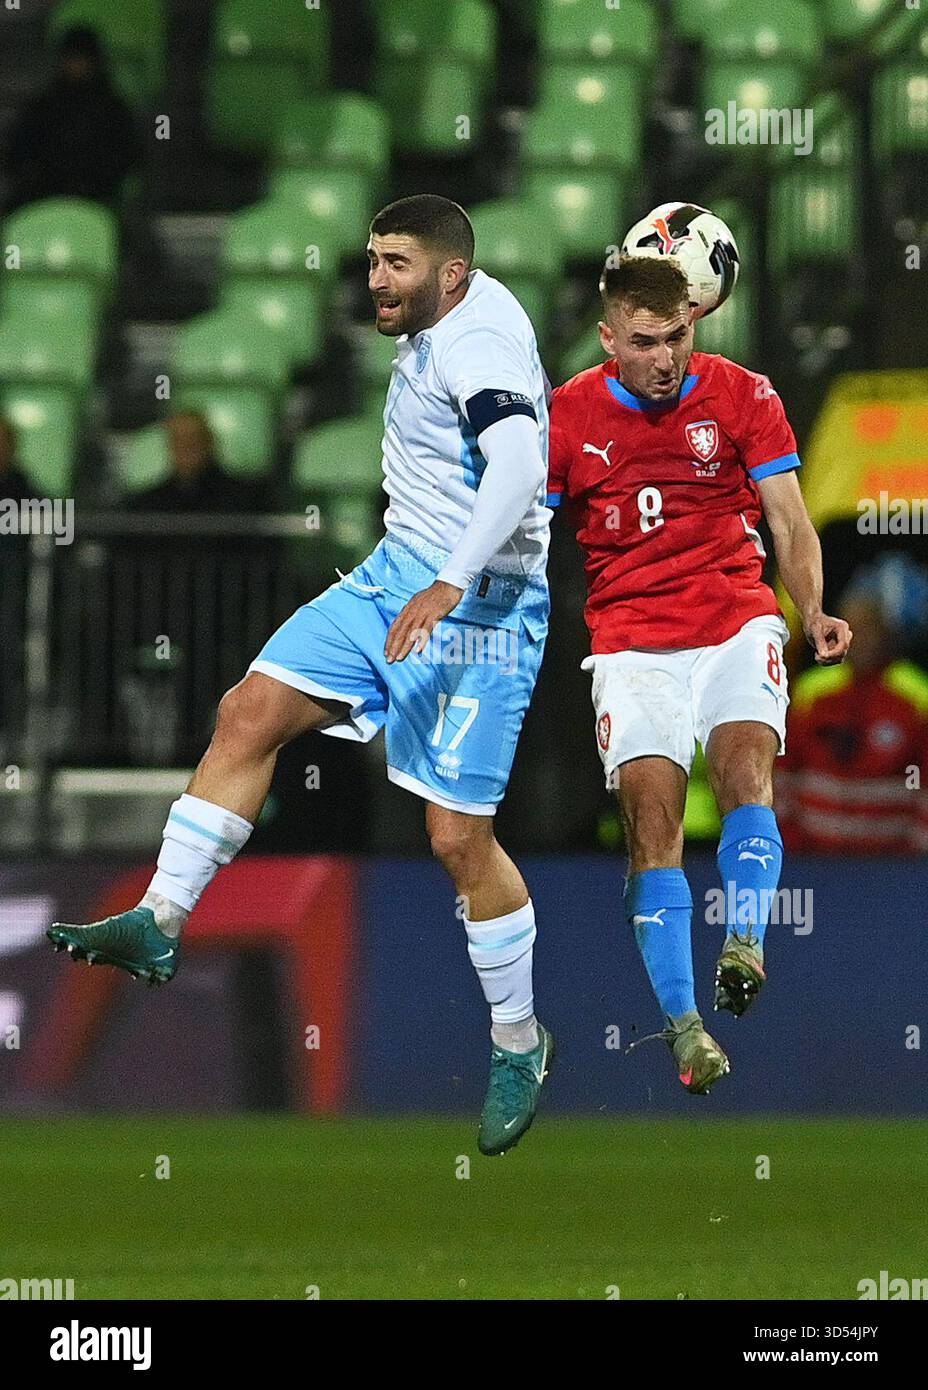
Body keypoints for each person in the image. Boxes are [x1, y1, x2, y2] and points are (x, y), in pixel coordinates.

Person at [49, 195, 554, 1156]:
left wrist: (452, 583)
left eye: (395, 263)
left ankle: (519, 1043)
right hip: (396, 575)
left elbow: (522, 463)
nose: (374, 280)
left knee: (456, 841)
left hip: (482, 606)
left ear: (450, 273)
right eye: (370, 260)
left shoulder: (477, 341)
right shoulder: (444, 318)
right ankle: (161, 918)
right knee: (248, 712)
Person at [548, 255, 852, 1095]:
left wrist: (813, 609)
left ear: (696, 322)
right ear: (610, 338)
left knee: (746, 773)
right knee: (654, 827)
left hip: (733, 619)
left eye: (677, 337)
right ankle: (685, 1031)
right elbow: (521, 535)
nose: (665, 359)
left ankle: (745, 942)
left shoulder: (744, 394)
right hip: (630, 644)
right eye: (644, 343)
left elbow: (789, 520)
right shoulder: (567, 416)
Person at [776, 554, 928, 854]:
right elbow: (783, 774)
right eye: (849, 625)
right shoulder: (812, 691)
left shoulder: (917, 696)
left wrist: (915, 858)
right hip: (811, 858)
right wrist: (790, 845)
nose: (858, 637)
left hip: (892, 864)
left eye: (869, 626)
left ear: (889, 631)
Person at [4, 25, 141, 210]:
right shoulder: (43, 106)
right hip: (42, 198)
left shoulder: (113, 109)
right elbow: (17, 151)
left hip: (97, 199)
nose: (76, 65)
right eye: (71, 58)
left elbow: (129, 155)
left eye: (82, 59)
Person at [128, 412, 272, 513]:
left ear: (210, 443)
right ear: (170, 446)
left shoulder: (249, 501)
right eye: (179, 440)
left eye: (194, 438)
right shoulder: (144, 507)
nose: (187, 446)